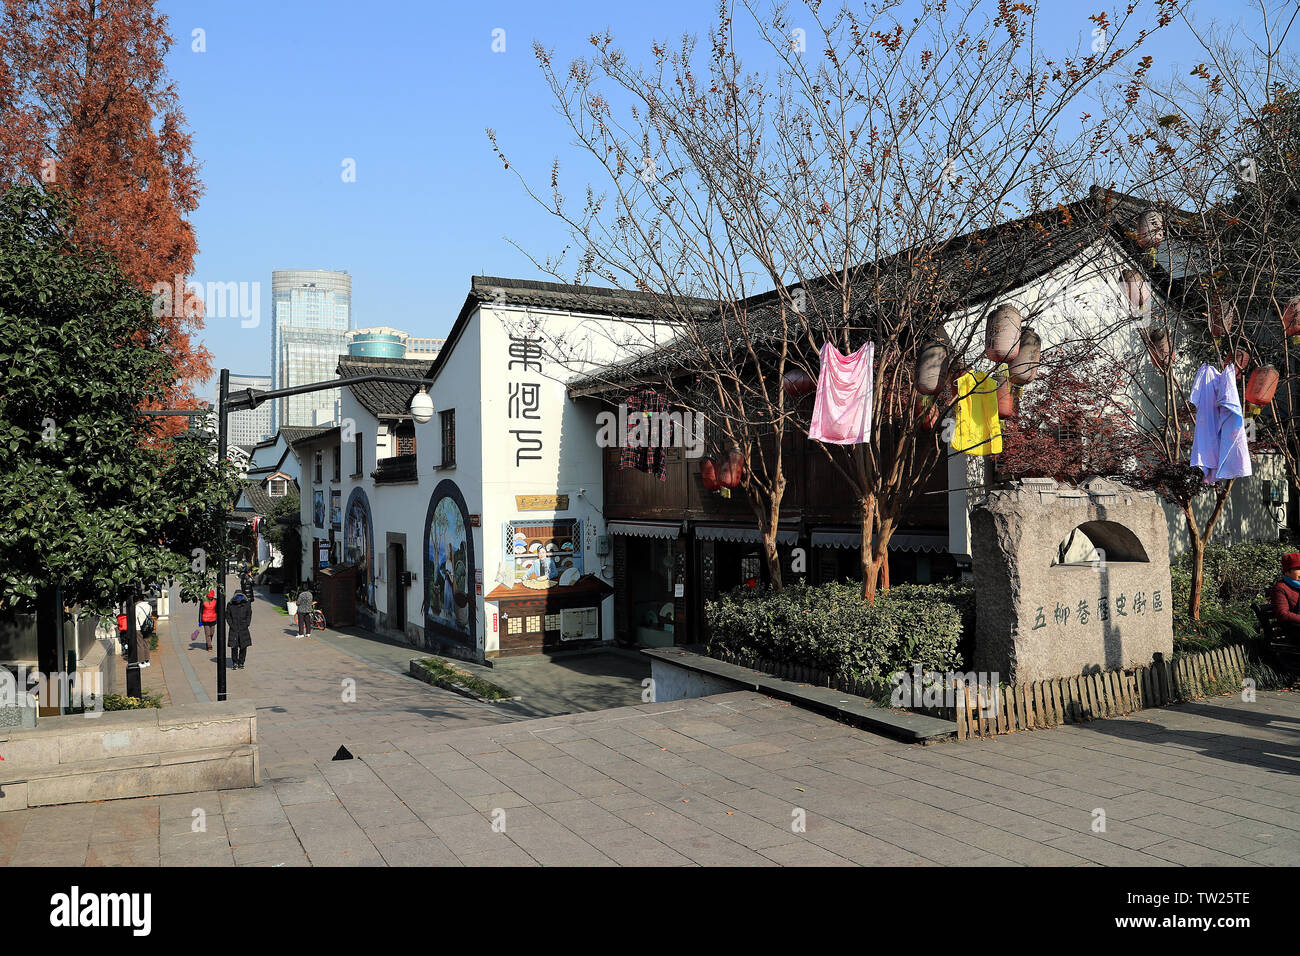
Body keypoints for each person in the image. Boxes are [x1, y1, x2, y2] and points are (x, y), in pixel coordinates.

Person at [1269, 552, 1300, 641]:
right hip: (1294, 630)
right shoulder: (1280, 588)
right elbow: (1283, 614)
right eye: (1298, 568)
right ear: (1287, 571)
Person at [226, 592, 253, 669]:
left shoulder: (246, 604)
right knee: (234, 646)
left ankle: (241, 662)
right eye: (237, 599)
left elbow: (249, 614)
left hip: (243, 629)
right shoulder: (230, 605)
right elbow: (228, 616)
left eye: (240, 599)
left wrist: (247, 624)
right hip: (234, 629)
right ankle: (234, 662)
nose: (238, 601)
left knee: (243, 646)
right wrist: (231, 625)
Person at [133, 596, 154, 669]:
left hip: (139, 628)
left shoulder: (137, 607)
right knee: (146, 643)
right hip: (147, 628)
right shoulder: (149, 606)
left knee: (140, 644)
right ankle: (147, 660)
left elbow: (135, 618)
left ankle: (141, 661)